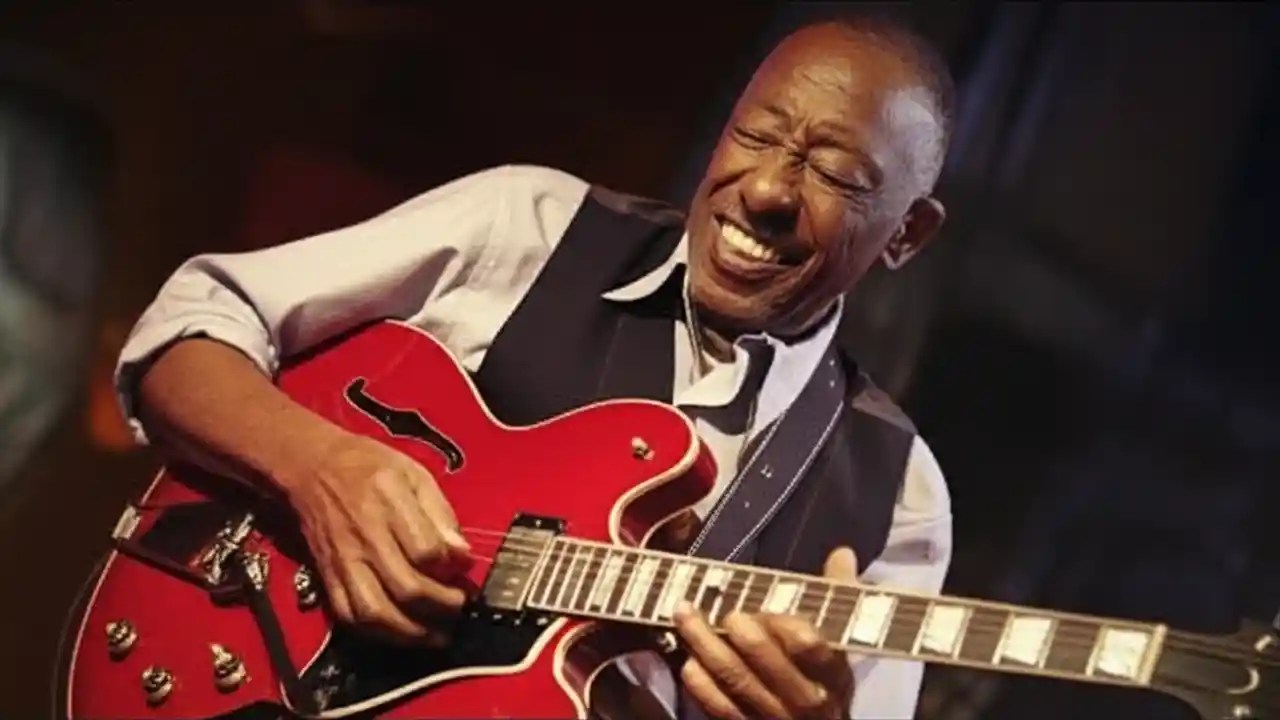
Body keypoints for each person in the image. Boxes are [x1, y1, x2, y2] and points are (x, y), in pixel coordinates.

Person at [115, 16, 955, 720]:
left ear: (907, 236)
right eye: (756, 134)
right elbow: (187, 329)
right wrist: (315, 466)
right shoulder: (531, 227)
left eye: (837, 176)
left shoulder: (900, 494)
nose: (766, 190)